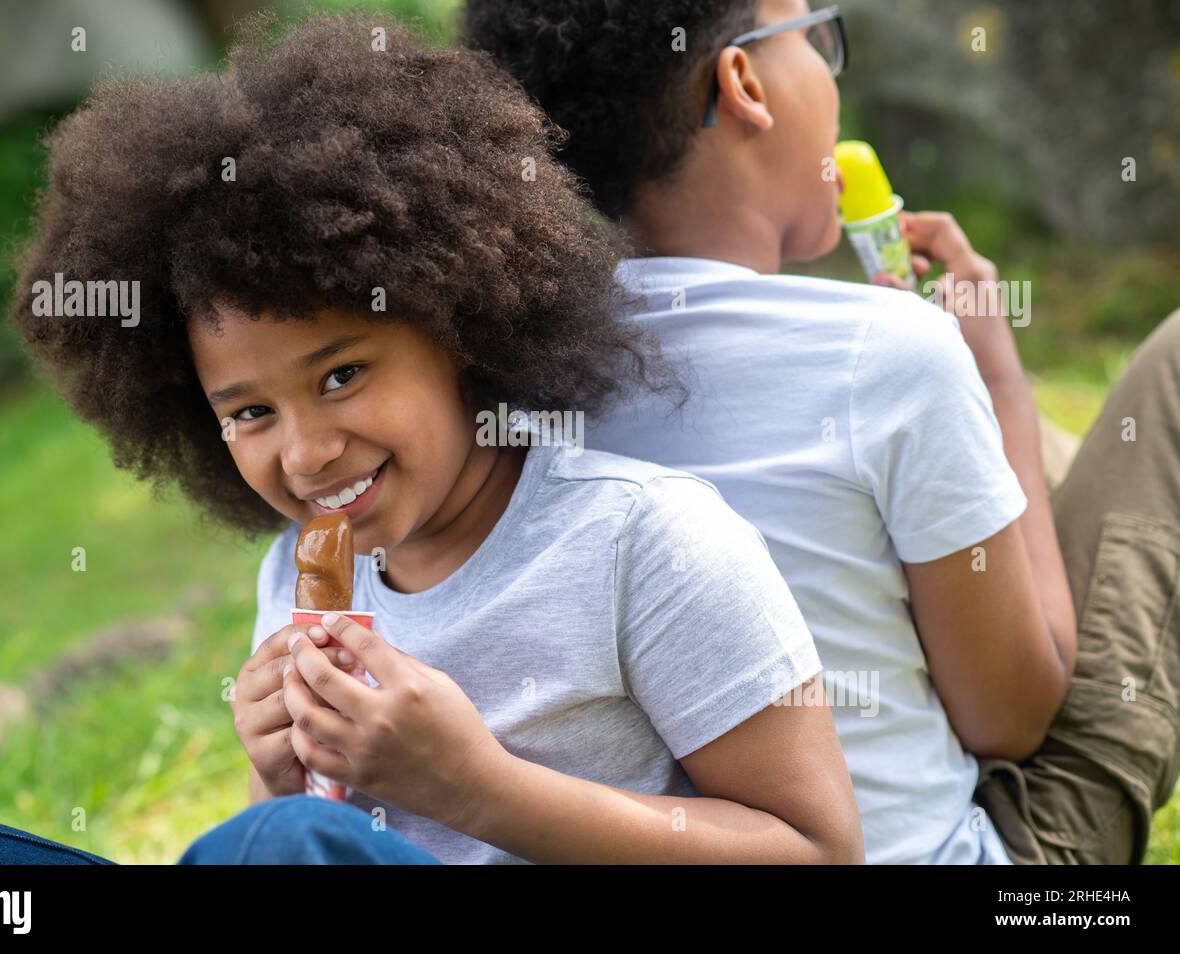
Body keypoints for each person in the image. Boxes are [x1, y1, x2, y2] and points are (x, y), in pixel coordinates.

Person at [0, 10, 863, 865]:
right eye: (250, 413)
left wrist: (479, 788)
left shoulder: (642, 544)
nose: (304, 453)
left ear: (462, 324)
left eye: (342, 375)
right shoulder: (293, 580)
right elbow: (310, 832)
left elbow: (818, 851)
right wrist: (279, 775)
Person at [464, 0, 1180, 863]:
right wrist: (996, 381)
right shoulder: (892, 356)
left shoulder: (497, 383)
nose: (829, 69)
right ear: (744, 81)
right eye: (815, 35)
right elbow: (1014, 719)